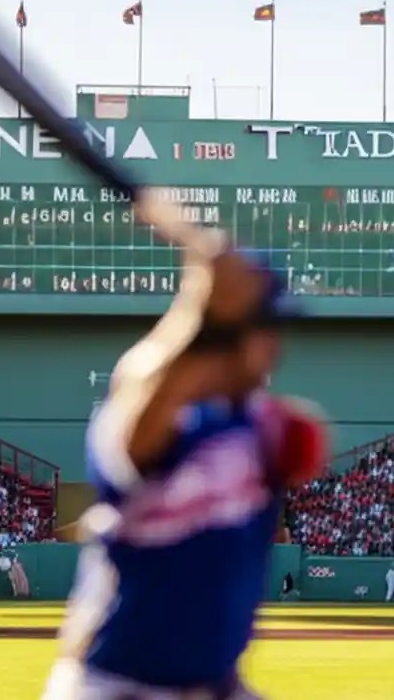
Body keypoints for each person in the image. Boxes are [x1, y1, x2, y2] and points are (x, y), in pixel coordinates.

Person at [41, 237, 328, 700]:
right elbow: (138, 400)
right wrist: (197, 310)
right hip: (117, 686)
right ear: (226, 338)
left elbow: (298, 448)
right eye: (266, 328)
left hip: (215, 685)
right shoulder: (151, 424)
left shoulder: (268, 432)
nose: (276, 346)